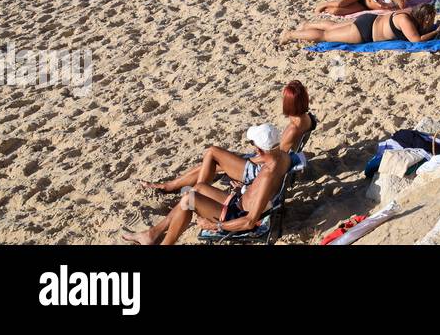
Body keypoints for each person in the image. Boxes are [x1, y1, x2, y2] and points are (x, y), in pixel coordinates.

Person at [123, 123, 292, 245]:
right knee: (197, 188)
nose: (254, 148)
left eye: (253, 144)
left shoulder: (268, 174)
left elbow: (249, 222)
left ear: (260, 150)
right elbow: (263, 192)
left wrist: (214, 225)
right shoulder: (282, 157)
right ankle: (152, 234)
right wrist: (246, 190)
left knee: (188, 199)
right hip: (239, 202)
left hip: (237, 215)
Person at [139, 82, 315, 195]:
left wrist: (247, 160)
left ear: (289, 103)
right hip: (265, 162)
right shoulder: (305, 119)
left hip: (260, 169)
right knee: (213, 162)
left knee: (214, 157)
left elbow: (275, 159)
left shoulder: (293, 128)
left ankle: (179, 188)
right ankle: (172, 185)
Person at [280, 2, 438, 45]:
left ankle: (307, 25)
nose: (431, 23)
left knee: (333, 26)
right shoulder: (405, 21)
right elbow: (416, 40)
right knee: (325, 36)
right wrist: (436, 32)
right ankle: (291, 34)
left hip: (368, 20)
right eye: (430, 20)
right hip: (365, 32)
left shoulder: (409, 12)